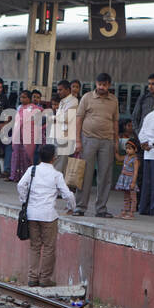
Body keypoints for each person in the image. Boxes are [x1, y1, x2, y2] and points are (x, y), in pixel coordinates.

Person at [17, 144, 76, 287]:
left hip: (32, 214)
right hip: (48, 215)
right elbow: (67, 194)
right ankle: (44, 279)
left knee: (35, 246)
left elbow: (20, 185)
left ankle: (32, 277)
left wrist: (25, 201)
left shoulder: (32, 170)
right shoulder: (57, 175)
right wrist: (71, 207)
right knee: (49, 247)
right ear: (54, 158)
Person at [73, 73, 118, 216]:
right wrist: (78, 141)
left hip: (107, 141)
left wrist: (116, 141)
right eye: (99, 84)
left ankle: (101, 209)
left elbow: (115, 121)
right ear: (96, 84)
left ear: (109, 85)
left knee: (105, 175)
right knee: (85, 174)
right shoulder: (87, 98)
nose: (102, 87)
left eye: (104, 85)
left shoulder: (114, 100)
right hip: (88, 139)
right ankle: (80, 207)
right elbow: (79, 119)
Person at [9, 89, 41, 180]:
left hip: (29, 136)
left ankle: (26, 177)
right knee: (16, 155)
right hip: (18, 134)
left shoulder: (35, 109)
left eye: (24, 97)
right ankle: (15, 176)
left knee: (27, 156)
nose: (22, 99)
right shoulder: (20, 108)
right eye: (21, 97)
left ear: (29, 98)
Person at [52, 80, 79, 174]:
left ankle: (57, 186)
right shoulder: (63, 101)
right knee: (57, 161)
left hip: (66, 136)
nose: (58, 92)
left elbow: (66, 118)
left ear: (68, 90)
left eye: (60, 90)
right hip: (59, 134)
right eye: (57, 90)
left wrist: (51, 118)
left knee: (61, 164)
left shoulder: (74, 102)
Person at [116, 136, 141, 218]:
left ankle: (131, 212)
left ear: (135, 149)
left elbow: (136, 172)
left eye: (130, 148)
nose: (127, 150)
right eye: (126, 148)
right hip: (124, 179)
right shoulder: (126, 157)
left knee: (133, 197)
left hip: (130, 180)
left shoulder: (135, 160)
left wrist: (133, 182)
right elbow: (119, 158)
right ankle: (125, 210)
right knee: (126, 196)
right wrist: (115, 151)